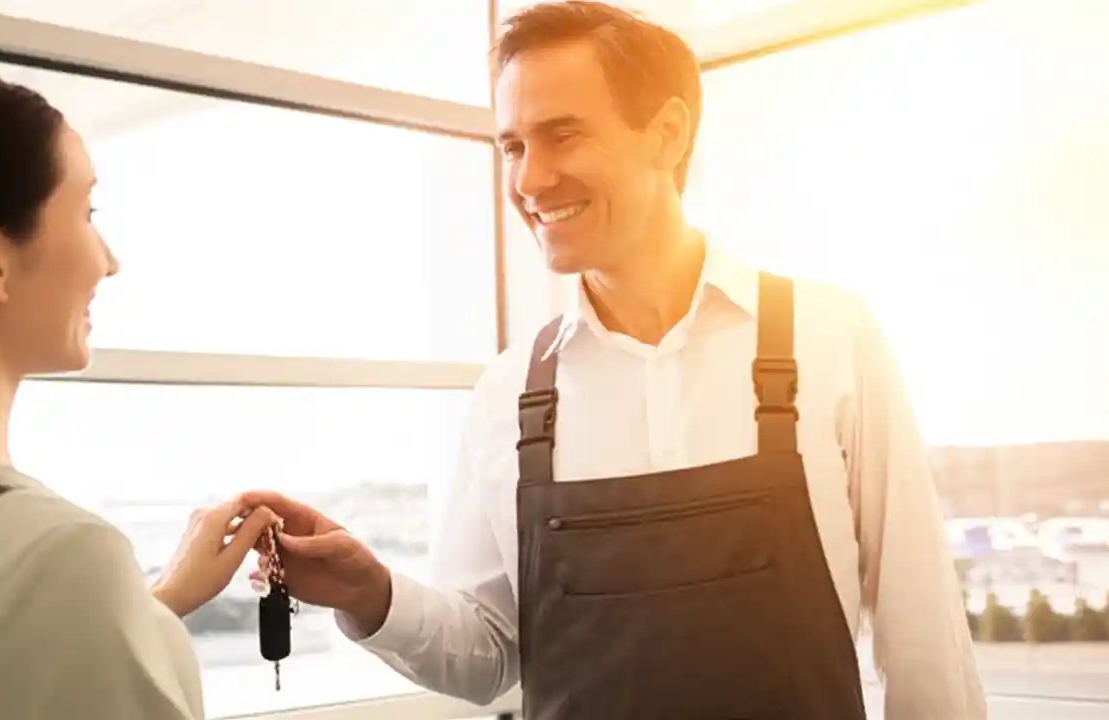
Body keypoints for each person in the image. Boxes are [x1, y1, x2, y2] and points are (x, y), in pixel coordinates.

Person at [241, 2, 987, 718]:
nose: (530, 181)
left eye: (563, 136)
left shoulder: (830, 338)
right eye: (513, 146)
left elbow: (923, 638)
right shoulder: (510, 393)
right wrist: (370, 593)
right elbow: (491, 656)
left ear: (665, 134)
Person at [0, 63, 276, 718]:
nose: (108, 259)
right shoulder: (59, 563)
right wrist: (105, 603)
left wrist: (142, 611)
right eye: (87, 211)